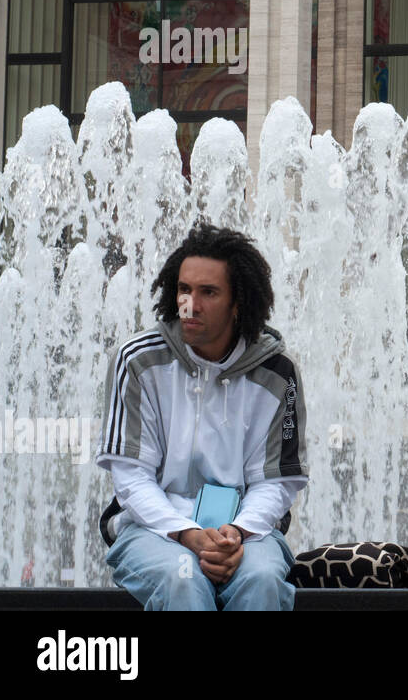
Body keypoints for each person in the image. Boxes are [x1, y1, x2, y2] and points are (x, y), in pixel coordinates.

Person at [96, 224, 308, 610]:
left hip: (247, 532)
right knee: (185, 579)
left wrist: (236, 532)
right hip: (154, 530)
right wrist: (188, 534)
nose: (190, 304)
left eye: (208, 292)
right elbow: (130, 476)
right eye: (184, 289)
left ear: (238, 302)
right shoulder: (138, 360)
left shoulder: (278, 372)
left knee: (261, 580)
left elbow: (276, 482)